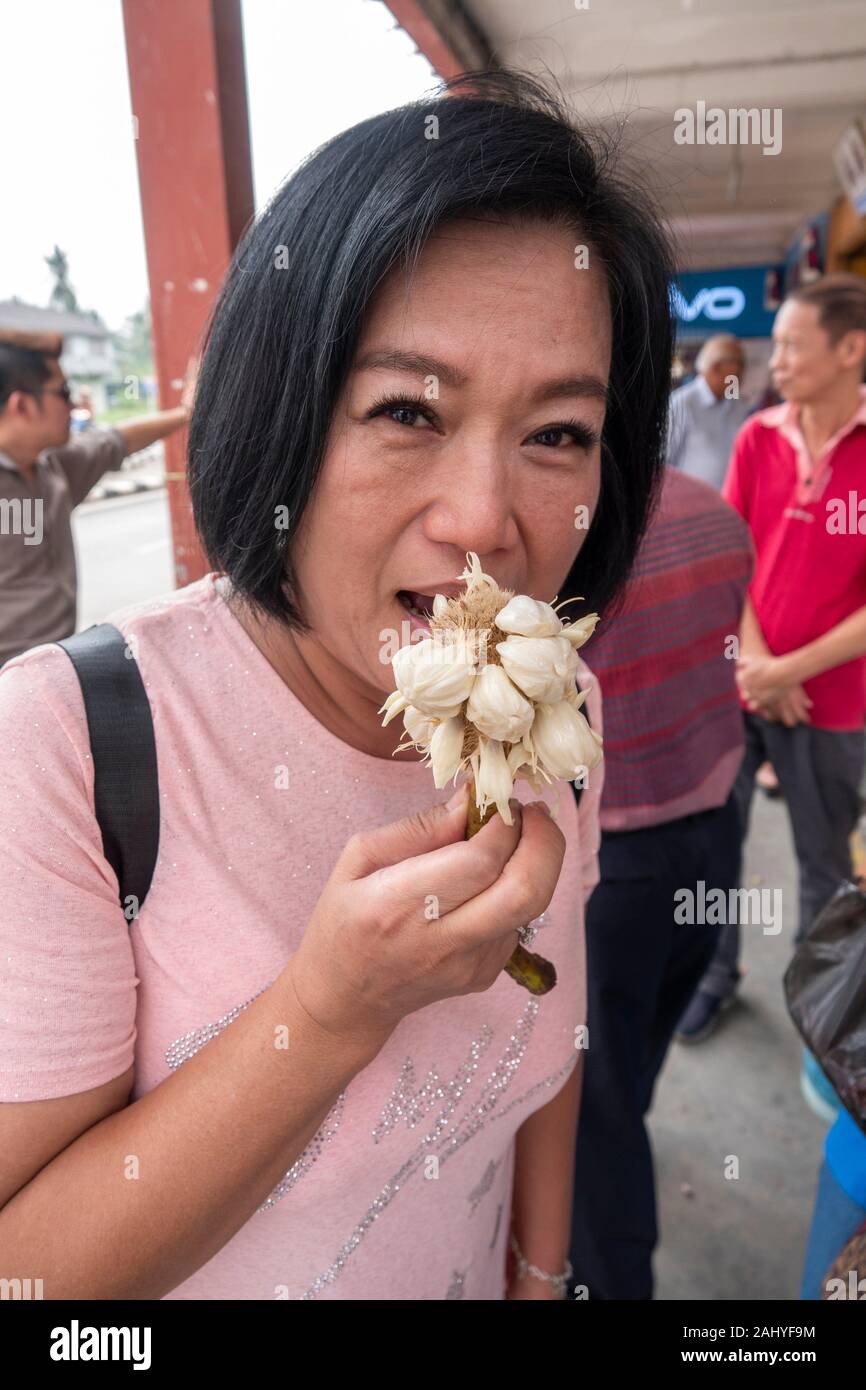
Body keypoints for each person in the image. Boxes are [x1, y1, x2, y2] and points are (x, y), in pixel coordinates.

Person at [0, 71, 675, 1301]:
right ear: (281, 418)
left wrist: (538, 1273)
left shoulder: (552, 704)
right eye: (406, 408)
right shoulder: (68, 751)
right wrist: (327, 1014)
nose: (483, 521)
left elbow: (552, 1040)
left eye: (557, 433)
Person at [567, 467, 752, 1299]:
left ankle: (616, 1281)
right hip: (715, 839)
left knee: (595, 1119)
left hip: (619, 863)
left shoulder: (577, 544)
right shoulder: (718, 513)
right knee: (635, 1051)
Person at [677, 273, 866, 1041]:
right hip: (742, 685)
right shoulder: (759, 435)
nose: (775, 359)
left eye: (792, 344)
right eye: (775, 343)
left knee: (822, 867)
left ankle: (816, 1010)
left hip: (834, 705)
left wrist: (787, 673)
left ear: (852, 348)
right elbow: (736, 551)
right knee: (719, 851)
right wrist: (757, 665)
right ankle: (719, 976)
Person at [0, 331, 191, 667]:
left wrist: (186, 413)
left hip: (48, 676)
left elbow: (116, 441)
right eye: (64, 392)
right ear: (22, 405)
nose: (74, 405)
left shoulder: (52, 467)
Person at [666, 333, 752, 489]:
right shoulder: (683, 403)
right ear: (716, 366)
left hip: (730, 505)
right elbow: (664, 462)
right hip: (690, 506)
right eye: (738, 362)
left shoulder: (737, 404)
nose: (742, 370)